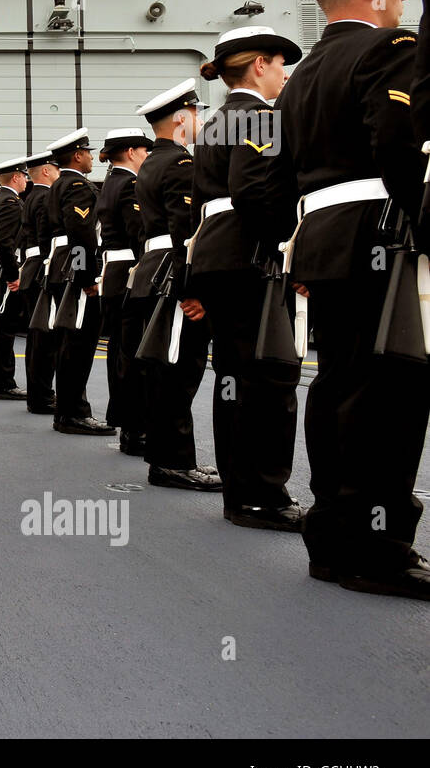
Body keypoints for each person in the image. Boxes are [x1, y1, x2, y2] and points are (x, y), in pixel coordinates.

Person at [237, 0, 427, 598]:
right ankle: (376, 550)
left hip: (323, 242)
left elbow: (263, 188)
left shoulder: (302, 78)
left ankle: (333, 540)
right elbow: (399, 148)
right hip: (378, 232)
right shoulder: (389, 50)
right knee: (391, 394)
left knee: (339, 387)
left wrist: (293, 242)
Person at [194, 26, 304, 530]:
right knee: (270, 377)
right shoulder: (260, 116)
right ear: (259, 64)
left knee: (234, 376)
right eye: (280, 63)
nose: (284, 73)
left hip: (218, 254)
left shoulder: (217, 121)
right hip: (250, 255)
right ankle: (261, 494)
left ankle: (241, 492)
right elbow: (253, 190)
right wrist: (285, 241)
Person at [131, 80, 221, 491]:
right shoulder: (181, 163)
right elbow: (186, 230)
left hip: (154, 269)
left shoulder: (151, 161)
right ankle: (173, 462)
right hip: (175, 272)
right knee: (179, 371)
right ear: (182, 119)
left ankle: (167, 456)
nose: (200, 121)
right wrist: (192, 288)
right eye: (197, 114)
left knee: (165, 371)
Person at [44, 129, 112, 436]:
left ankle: (67, 411)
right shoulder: (76, 185)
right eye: (86, 152)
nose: (89, 157)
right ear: (76, 155)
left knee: (69, 342)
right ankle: (74, 414)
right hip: (75, 267)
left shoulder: (58, 184)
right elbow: (81, 232)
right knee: (79, 343)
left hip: (60, 263)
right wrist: (87, 277)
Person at [94, 129, 151, 455]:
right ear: (131, 151)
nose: (147, 157)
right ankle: (136, 429)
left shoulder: (109, 182)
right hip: (130, 272)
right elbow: (138, 232)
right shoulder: (129, 184)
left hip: (114, 275)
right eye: (144, 151)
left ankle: (127, 424)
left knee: (120, 352)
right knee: (133, 355)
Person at [17, 151, 58, 414]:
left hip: (31, 267)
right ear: (45, 171)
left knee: (37, 337)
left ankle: (37, 393)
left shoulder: (31, 197)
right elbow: (45, 236)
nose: (58, 172)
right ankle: (42, 396)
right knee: (45, 338)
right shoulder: (44, 197)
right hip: (42, 265)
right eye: (55, 168)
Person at [0, 159, 28, 399]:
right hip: (6, 271)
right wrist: (13, 276)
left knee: (1, 328)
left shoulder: (0, 200)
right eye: (23, 175)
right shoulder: (11, 203)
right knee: (5, 329)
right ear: (15, 177)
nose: (25, 179)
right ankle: (3, 383)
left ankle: (0, 381)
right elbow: (4, 242)